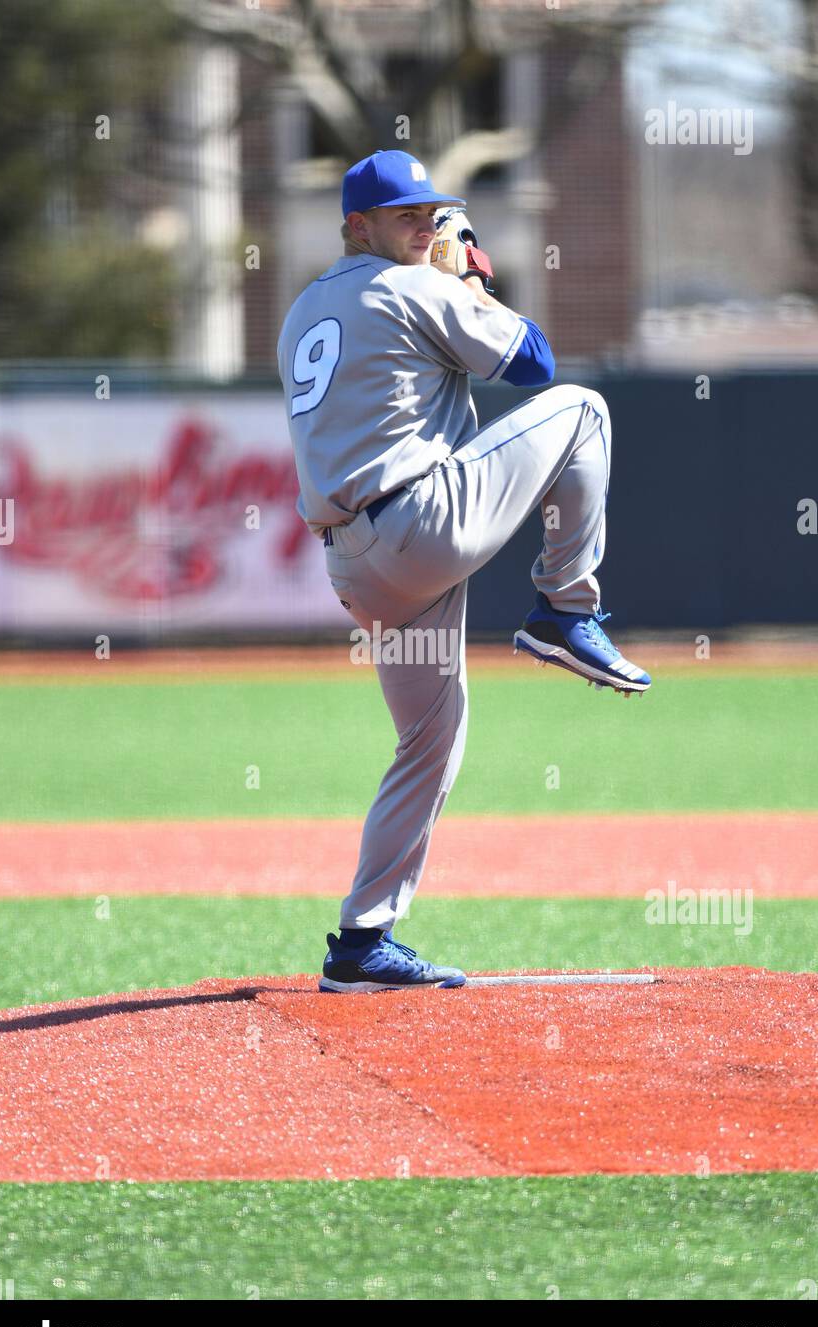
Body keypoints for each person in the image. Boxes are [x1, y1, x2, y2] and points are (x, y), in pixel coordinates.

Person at [276, 149, 650, 994]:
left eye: (429, 213)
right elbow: (536, 365)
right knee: (584, 408)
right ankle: (564, 606)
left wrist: (449, 280)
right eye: (404, 215)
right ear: (357, 226)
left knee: (429, 740)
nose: (422, 226)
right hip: (420, 524)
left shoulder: (303, 308)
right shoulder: (414, 287)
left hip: (357, 564)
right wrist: (472, 283)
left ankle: (363, 941)